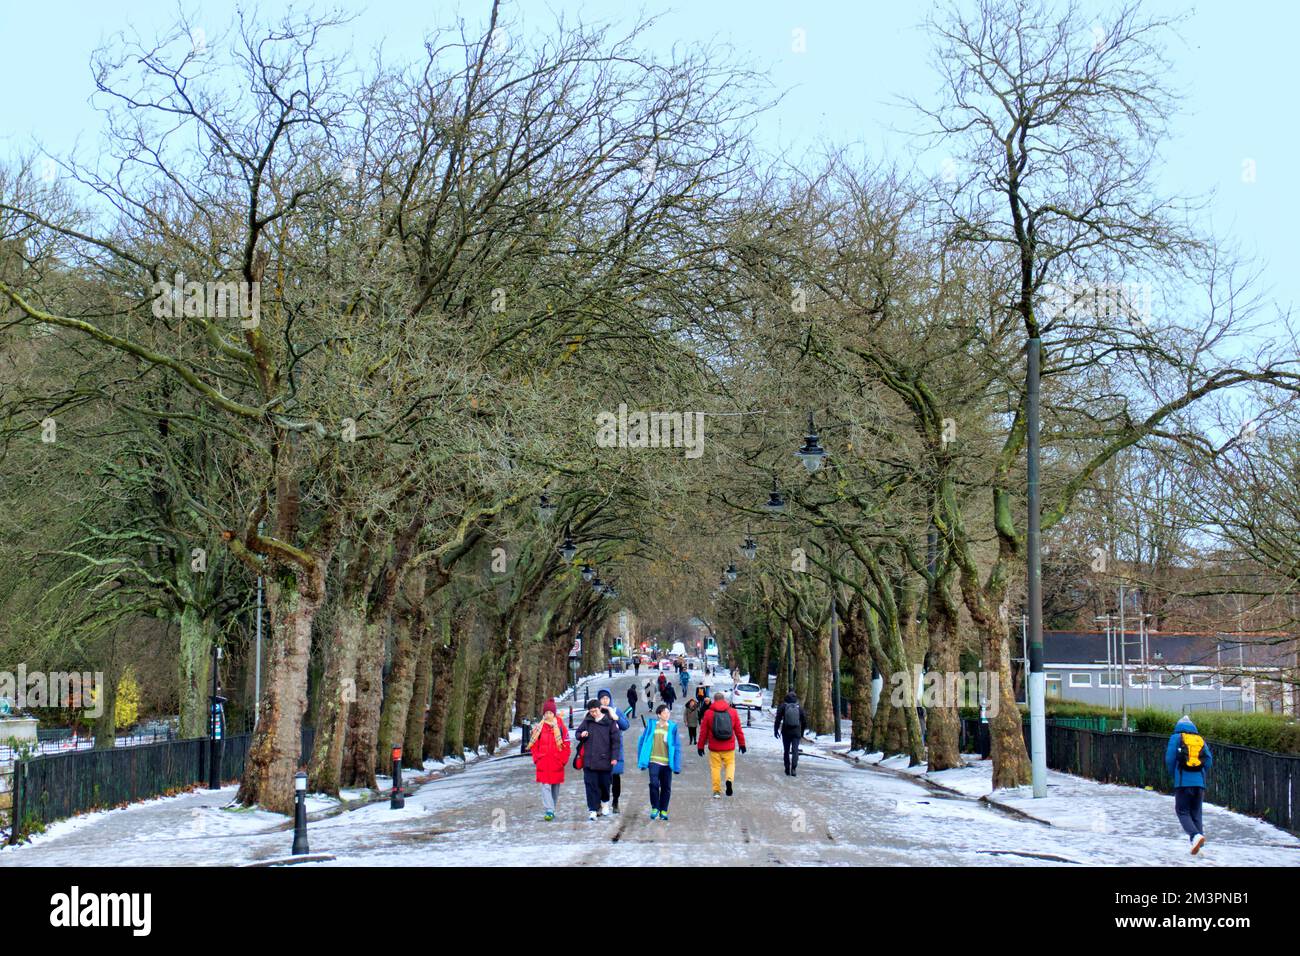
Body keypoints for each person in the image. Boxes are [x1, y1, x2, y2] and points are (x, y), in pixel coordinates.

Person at [1165, 715, 1213, 854]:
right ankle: (1199, 847)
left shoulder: (1176, 738)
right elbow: (1208, 760)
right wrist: (1199, 774)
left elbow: (1170, 759)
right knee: (1196, 814)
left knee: (1182, 811)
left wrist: (1174, 775)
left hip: (1183, 782)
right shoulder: (1199, 740)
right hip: (1199, 783)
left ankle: (1195, 836)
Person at [574, 698, 622, 821]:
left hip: (605, 760)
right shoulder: (587, 721)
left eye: (595, 711)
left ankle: (605, 803)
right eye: (591, 711)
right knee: (590, 785)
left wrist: (614, 757)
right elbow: (578, 733)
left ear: (600, 708)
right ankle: (593, 809)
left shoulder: (610, 722)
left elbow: (616, 741)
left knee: (605, 784)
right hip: (589, 761)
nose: (593, 713)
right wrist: (581, 735)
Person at [636, 703, 682, 820]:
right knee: (654, 784)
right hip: (653, 761)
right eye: (665, 712)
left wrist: (676, 766)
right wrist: (641, 761)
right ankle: (655, 807)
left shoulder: (672, 728)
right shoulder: (652, 726)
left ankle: (664, 810)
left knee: (666, 787)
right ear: (659, 714)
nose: (667, 714)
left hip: (667, 763)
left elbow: (676, 747)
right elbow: (643, 742)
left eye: (668, 712)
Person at [697, 691, 746, 798]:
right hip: (729, 746)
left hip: (714, 747)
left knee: (715, 768)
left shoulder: (709, 713)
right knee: (730, 765)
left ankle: (717, 791)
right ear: (724, 700)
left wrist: (700, 746)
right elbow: (738, 730)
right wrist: (742, 744)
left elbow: (703, 731)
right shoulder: (732, 712)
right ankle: (729, 780)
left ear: (714, 700)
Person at [529, 698, 570, 820]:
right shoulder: (538, 729)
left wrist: (562, 760)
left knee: (555, 788)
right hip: (543, 762)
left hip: (557, 762)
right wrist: (537, 758)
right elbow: (534, 746)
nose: (548, 715)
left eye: (550, 713)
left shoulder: (561, 728)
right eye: (546, 713)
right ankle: (549, 810)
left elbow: (567, 746)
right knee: (545, 786)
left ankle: (552, 808)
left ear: (554, 713)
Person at [597, 688, 630, 813]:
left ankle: (615, 801)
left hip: (616, 749)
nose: (605, 701)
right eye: (603, 698)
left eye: (607, 698)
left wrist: (616, 717)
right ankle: (601, 802)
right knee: (602, 779)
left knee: (615, 777)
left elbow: (625, 725)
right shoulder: (596, 711)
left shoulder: (616, 711)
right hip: (600, 750)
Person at [774, 691, 808, 777]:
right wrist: (802, 733)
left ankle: (787, 768)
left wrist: (776, 730)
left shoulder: (783, 706)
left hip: (786, 731)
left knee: (786, 750)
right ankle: (793, 768)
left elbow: (778, 719)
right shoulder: (799, 707)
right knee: (795, 750)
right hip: (796, 732)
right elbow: (804, 721)